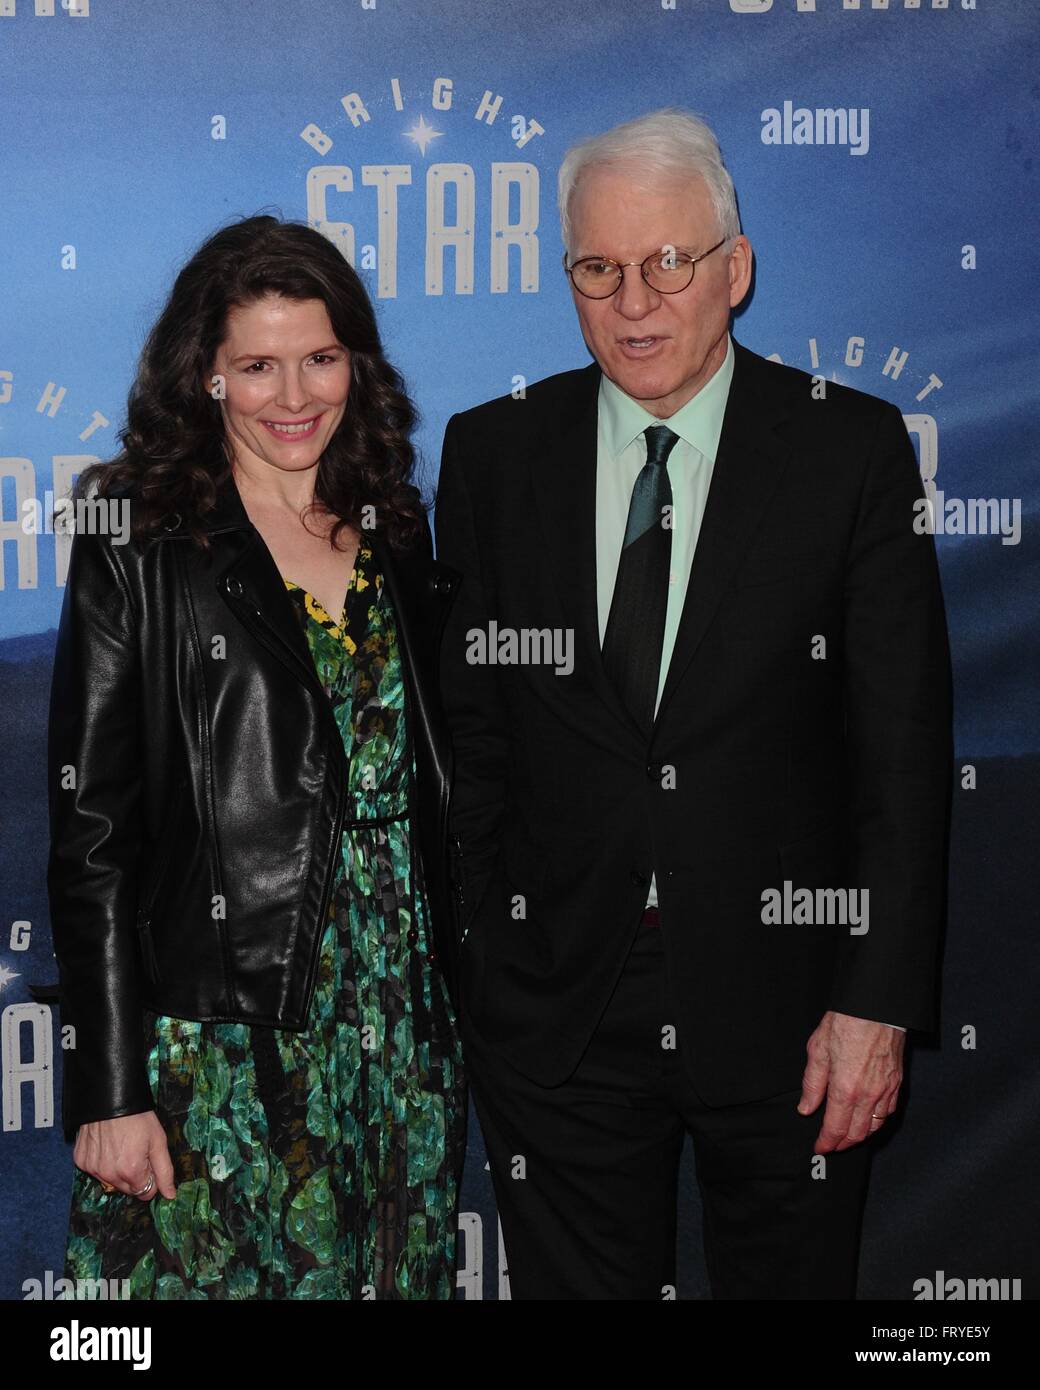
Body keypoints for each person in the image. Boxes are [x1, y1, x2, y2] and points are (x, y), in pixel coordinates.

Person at [434, 108, 953, 1299]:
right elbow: (472, 740)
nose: (634, 302)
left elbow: (902, 758)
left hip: (791, 1016)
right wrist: (485, 969)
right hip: (556, 1014)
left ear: (735, 268)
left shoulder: (848, 453)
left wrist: (873, 1002)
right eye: (597, 268)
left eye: (668, 261)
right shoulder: (493, 455)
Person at [47, 214, 465, 1300]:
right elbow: (92, 832)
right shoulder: (135, 541)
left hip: (400, 1034)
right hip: (221, 1039)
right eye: (258, 365)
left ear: (355, 364)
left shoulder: (395, 532)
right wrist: (108, 1086)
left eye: (319, 358)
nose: (294, 396)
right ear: (207, 377)